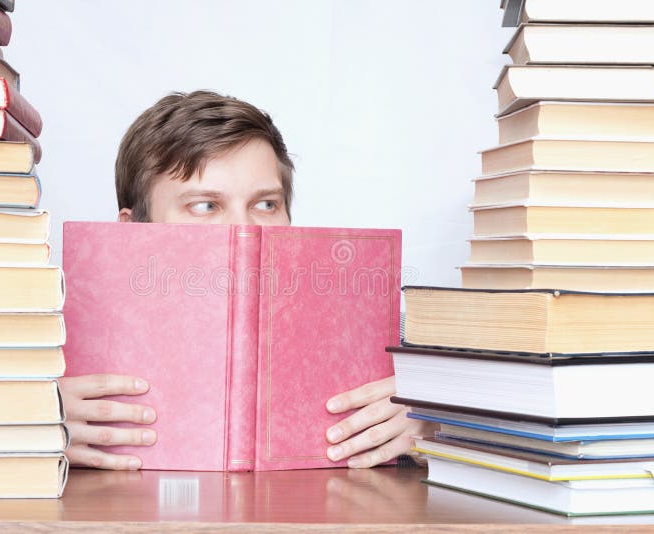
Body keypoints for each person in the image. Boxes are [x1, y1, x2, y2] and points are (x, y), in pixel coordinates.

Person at [58, 90, 429, 470]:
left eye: (266, 204)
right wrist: (25, 423)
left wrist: (436, 421)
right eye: (204, 206)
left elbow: (466, 420)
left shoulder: (397, 345)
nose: (243, 230)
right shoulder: (42, 347)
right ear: (130, 232)